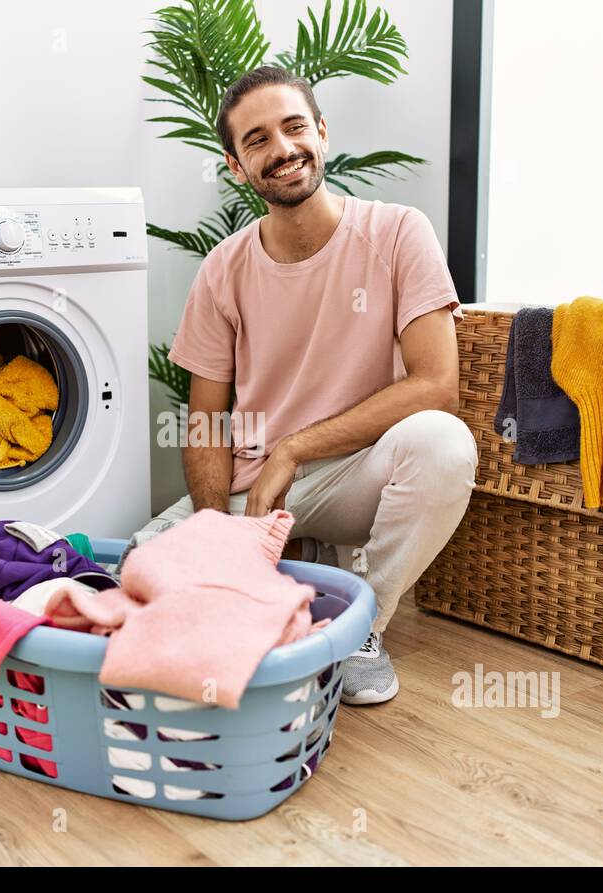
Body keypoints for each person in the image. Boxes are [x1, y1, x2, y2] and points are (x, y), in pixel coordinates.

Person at [147, 66, 478, 705]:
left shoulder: (398, 231)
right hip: (255, 492)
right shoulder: (223, 269)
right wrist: (221, 541)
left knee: (444, 443)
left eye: (294, 127)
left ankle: (359, 627)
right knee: (139, 571)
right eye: (257, 140)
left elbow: (438, 385)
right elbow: (208, 423)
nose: (282, 149)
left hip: (361, 474)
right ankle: (286, 589)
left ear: (322, 133)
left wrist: (292, 450)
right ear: (236, 166)